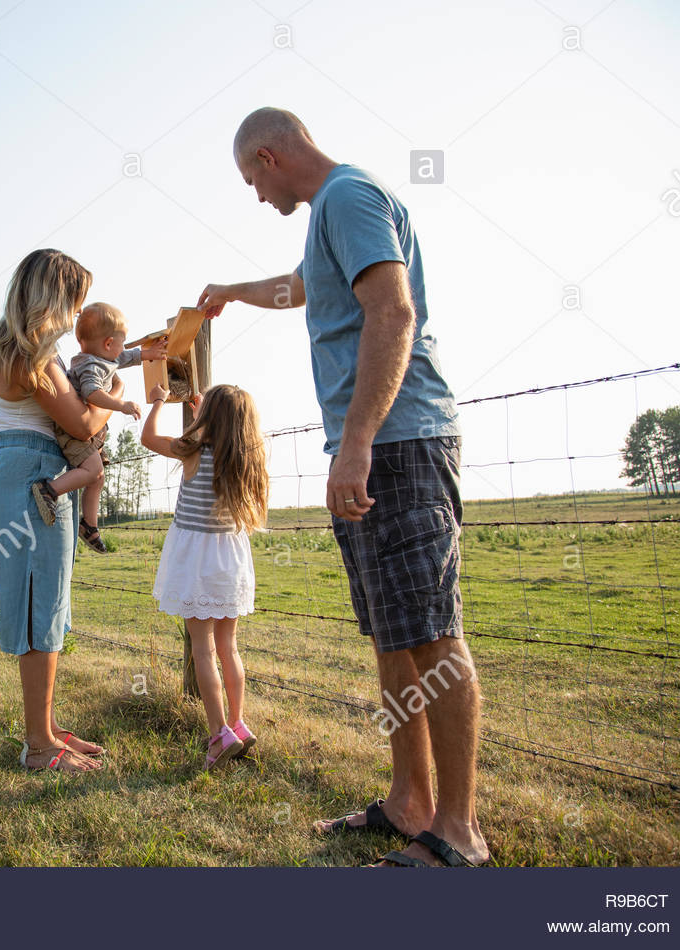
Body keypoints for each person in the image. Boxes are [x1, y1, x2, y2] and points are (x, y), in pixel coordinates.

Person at [196, 107, 489, 866]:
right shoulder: (329, 213)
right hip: (367, 445)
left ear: (268, 155)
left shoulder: (350, 197)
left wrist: (356, 443)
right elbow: (300, 289)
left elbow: (393, 311)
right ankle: (408, 802)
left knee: (431, 634)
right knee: (394, 635)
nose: (257, 196)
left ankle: (457, 830)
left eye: (251, 180)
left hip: (396, 442)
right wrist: (230, 290)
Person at [0, 249, 117, 773]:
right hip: (31, 474)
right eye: (73, 304)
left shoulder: (19, 346)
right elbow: (83, 425)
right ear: (52, 299)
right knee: (39, 605)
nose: (75, 318)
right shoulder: (27, 354)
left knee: (49, 604)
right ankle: (39, 747)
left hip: (29, 470)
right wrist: (115, 393)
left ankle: (47, 727)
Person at [140, 382, 269, 769]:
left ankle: (217, 736)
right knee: (228, 647)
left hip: (196, 561)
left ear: (209, 419)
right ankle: (237, 723)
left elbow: (148, 437)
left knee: (203, 648)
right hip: (229, 561)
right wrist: (202, 415)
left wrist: (160, 401)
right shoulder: (245, 462)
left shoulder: (192, 451)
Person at [31, 302, 166, 553]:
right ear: (108, 344)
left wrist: (150, 353)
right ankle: (49, 489)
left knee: (98, 475)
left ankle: (89, 526)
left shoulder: (102, 358)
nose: (123, 349)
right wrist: (120, 403)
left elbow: (127, 356)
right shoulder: (91, 366)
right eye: (121, 343)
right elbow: (92, 393)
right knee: (93, 471)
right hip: (73, 432)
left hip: (83, 433)